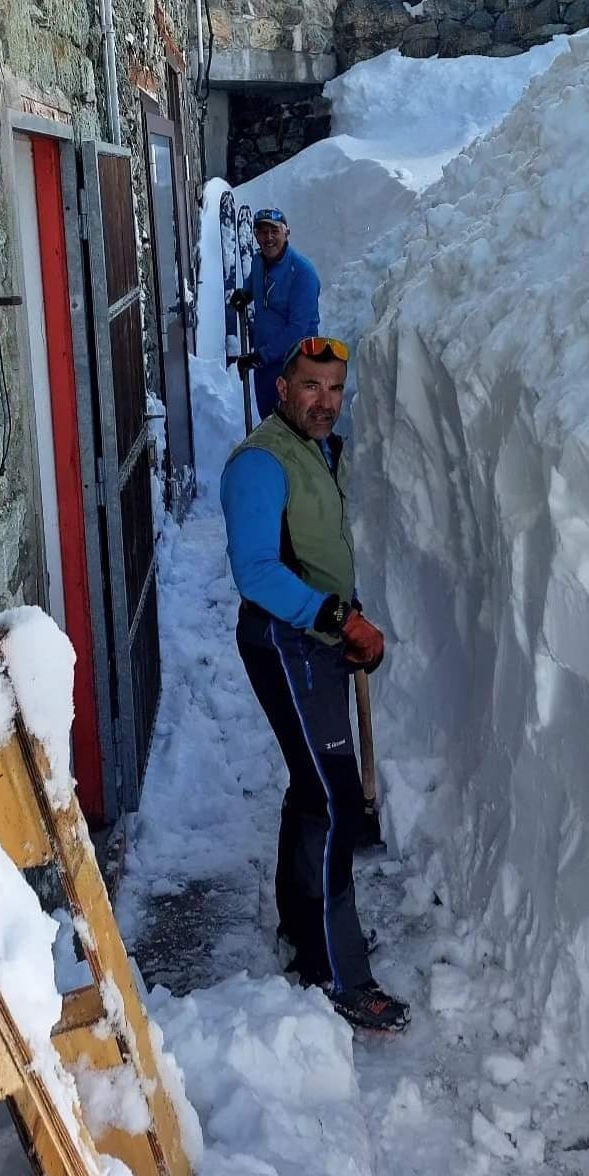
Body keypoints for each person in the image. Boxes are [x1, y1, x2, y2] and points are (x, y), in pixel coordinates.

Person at [219, 336, 410, 1034]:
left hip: (319, 638)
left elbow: (321, 549)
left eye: (335, 388)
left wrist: (347, 619)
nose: (324, 401)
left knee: (312, 788)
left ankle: (310, 937)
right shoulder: (262, 462)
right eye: (310, 386)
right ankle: (339, 974)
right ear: (282, 388)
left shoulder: (319, 450)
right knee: (332, 800)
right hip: (288, 641)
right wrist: (336, 618)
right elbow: (256, 571)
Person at [231, 208, 321, 422]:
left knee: (295, 429)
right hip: (266, 365)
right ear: (255, 235)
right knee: (270, 423)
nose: (268, 237)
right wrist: (246, 293)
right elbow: (257, 281)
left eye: (274, 231)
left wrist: (261, 356)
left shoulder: (302, 273)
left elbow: (297, 331)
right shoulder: (259, 261)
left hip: (295, 366)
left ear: (286, 233)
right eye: (262, 231)